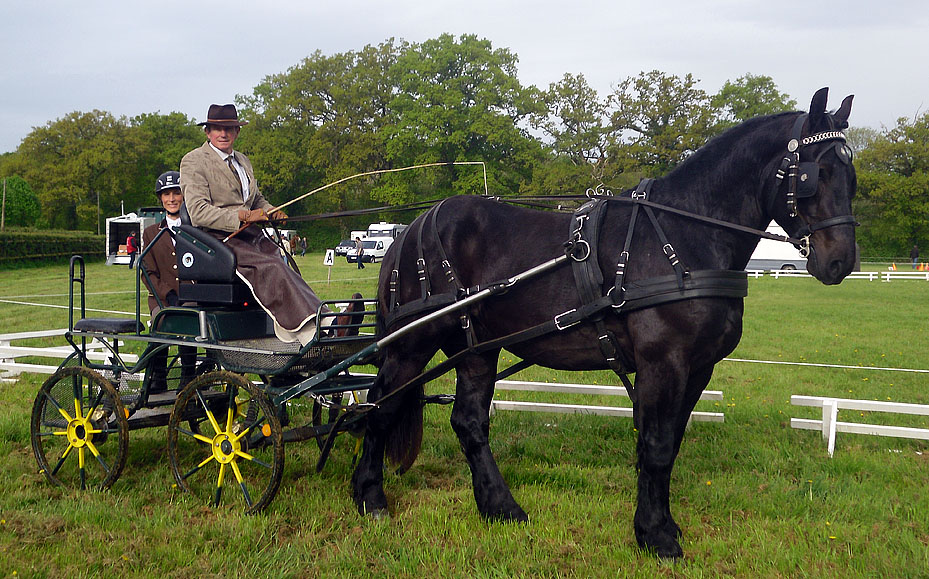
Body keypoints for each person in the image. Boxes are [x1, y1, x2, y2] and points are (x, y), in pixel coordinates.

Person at [180, 104, 329, 345]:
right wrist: (245, 216)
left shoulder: (242, 161)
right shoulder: (194, 161)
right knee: (270, 265)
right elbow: (198, 213)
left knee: (284, 262)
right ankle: (304, 330)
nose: (223, 134)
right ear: (207, 132)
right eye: (217, 128)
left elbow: (256, 199)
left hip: (250, 236)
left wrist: (271, 211)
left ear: (237, 132)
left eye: (229, 129)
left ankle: (322, 319)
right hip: (218, 240)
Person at [141, 171, 196, 392]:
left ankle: (189, 375)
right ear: (161, 199)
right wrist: (167, 294)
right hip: (162, 297)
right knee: (161, 321)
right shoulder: (150, 233)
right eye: (166, 194)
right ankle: (158, 377)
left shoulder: (195, 229)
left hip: (191, 296)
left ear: (184, 196)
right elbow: (148, 272)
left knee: (189, 323)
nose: (172, 199)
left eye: (176, 193)